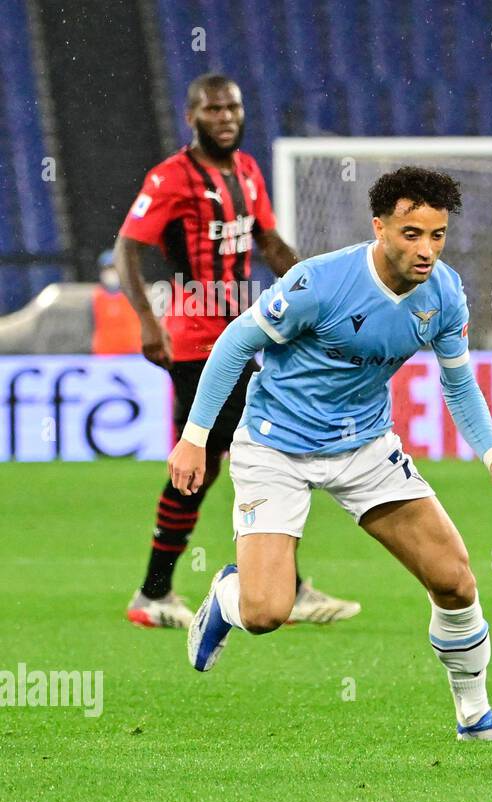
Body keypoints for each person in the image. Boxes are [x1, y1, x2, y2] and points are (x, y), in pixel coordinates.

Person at [166, 167, 492, 743]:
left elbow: (459, 383)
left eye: (438, 235)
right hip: (276, 446)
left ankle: (474, 717)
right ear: (380, 227)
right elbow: (237, 341)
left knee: (455, 579)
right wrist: (195, 436)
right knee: (267, 612)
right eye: (411, 234)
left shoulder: (444, 293)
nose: (426, 250)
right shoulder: (319, 282)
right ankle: (226, 596)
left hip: (364, 447)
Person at [116, 72, 357, 628]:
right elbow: (128, 246)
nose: (225, 117)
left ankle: (251, 587)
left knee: (250, 454)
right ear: (191, 116)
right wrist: (148, 322)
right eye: (213, 109)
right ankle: (159, 592)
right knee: (214, 459)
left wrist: (311, 289)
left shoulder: (247, 171)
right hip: (195, 342)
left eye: (233, 108)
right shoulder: (171, 177)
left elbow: (267, 241)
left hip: (244, 334)